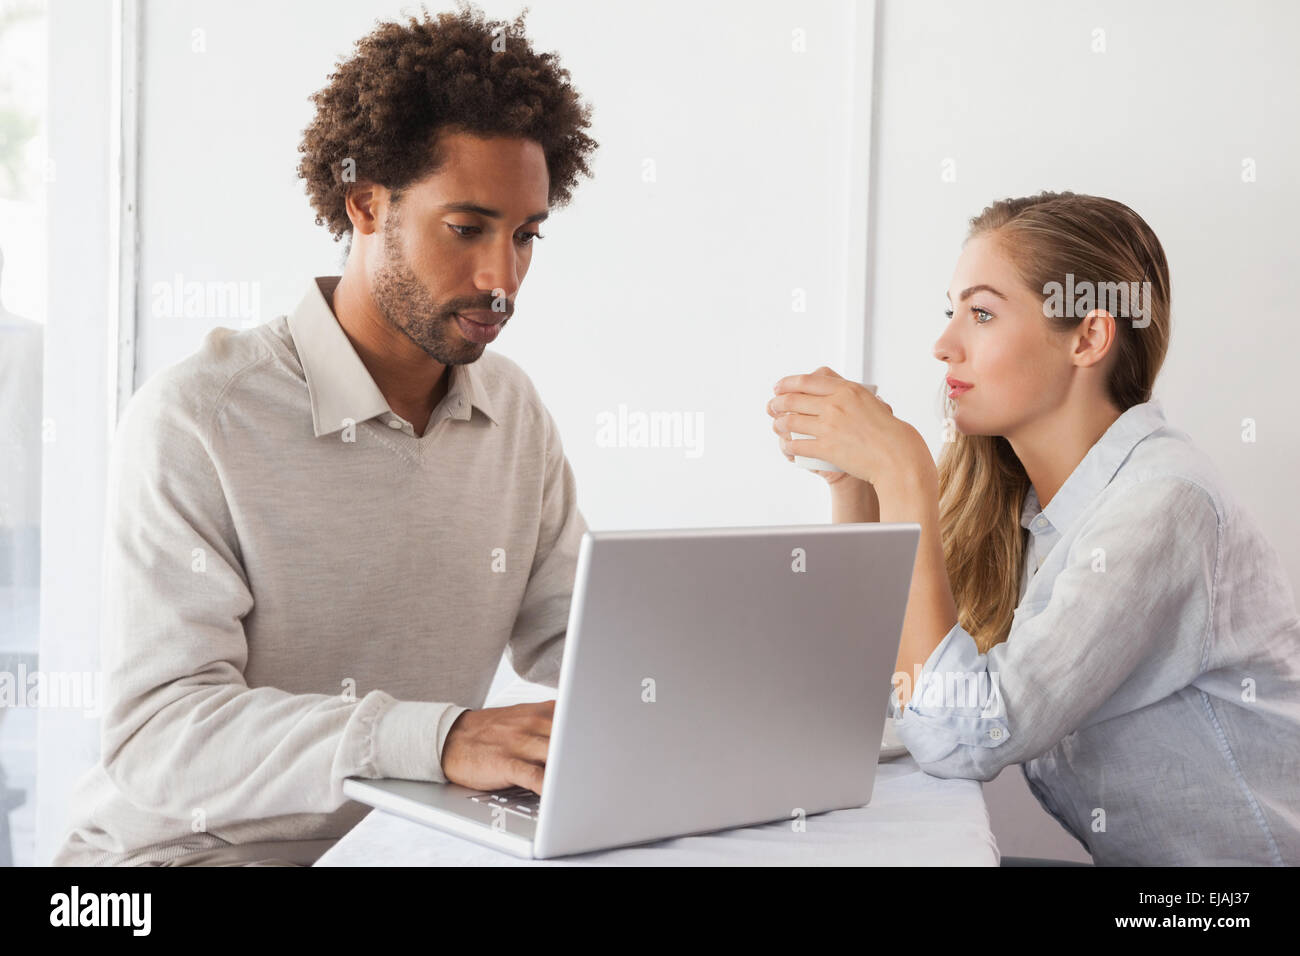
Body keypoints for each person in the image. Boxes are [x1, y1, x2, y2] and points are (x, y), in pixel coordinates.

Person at [53, 3, 598, 866]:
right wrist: (438, 740)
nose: (502, 280)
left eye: (526, 236)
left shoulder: (513, 414)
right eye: (467, 229)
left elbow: (585, 640)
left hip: (397, 850)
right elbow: (160, 732)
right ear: (367, 204)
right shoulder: (200, 419)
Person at [767, 190, 1300, 865]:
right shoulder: (1028, 508)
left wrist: (904, 476)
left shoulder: (1164, 506)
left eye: (982, 313)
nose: (943, 345)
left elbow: (963, 734)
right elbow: (882, 691)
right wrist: (856, 484)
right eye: (951, 311)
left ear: (1088, 338)